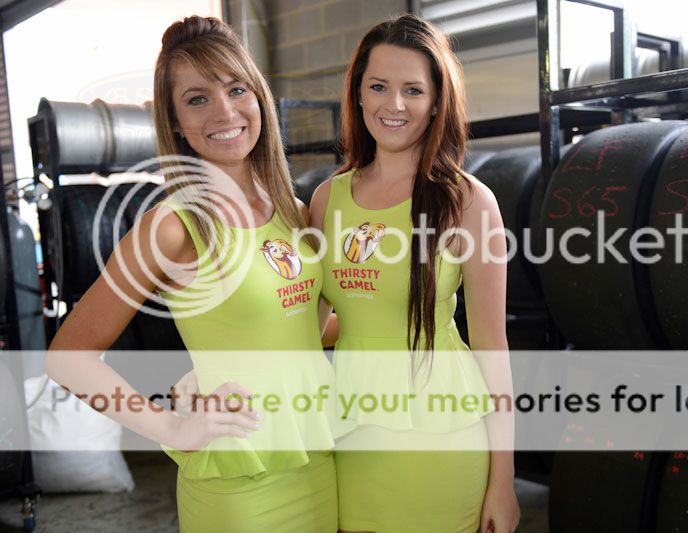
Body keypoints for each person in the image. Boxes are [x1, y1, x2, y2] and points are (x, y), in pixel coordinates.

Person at [46, 16, 339, 533]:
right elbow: (69, 357)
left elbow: (303, 330)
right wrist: (173, 424)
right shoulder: (172, 225)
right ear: (176, 120)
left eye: (236, 88)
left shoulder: (292, 210)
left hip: (320, 460)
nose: (224, 111)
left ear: (259, 98)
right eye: (198, 98)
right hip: (238, 484)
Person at [309, 13, 521, 533]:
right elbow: (311, 327)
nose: (394, 105)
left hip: (441, 438)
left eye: (413, 90)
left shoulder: (468, 201)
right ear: (358, 94)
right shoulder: (324, 199)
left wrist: (504, 481)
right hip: (351, 436)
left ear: (436, 102)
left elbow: (493, 348)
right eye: (379, 86)